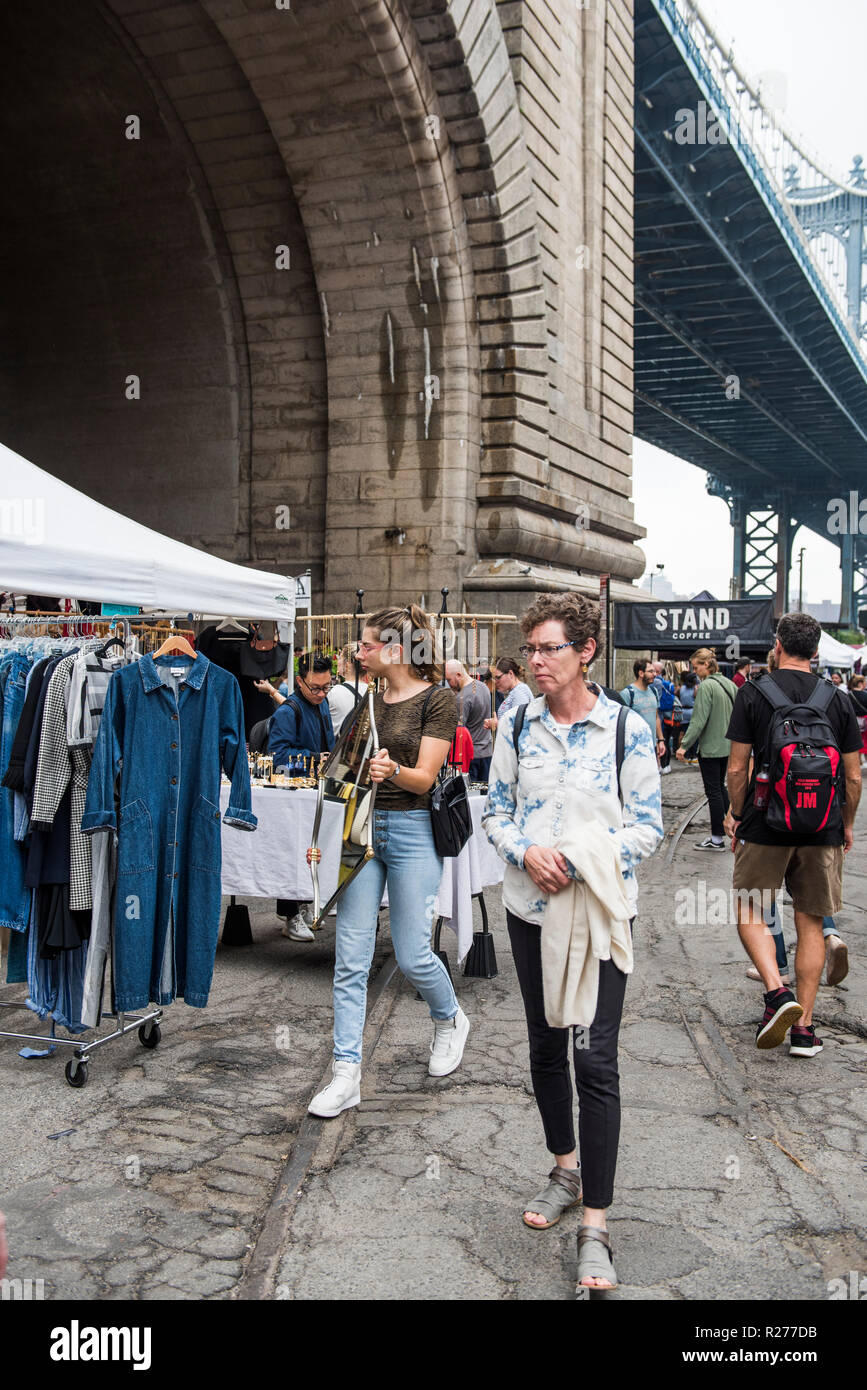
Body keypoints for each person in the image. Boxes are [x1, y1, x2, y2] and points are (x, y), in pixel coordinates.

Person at [483, 592, 663, 1292]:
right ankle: (563, 1167)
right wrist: (526, 851)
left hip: (596, 916)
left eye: (548, 648)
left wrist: (584, 860)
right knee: (543, 1046)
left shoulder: (626, 729)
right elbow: (494, 809)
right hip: (528, 909)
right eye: (529, 648)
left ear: (584, 651)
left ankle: (596, 1226)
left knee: (595, 1062)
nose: (535, 659)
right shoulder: (516, 722)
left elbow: (646, 826)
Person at [308, 603, 469, 1118]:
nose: (358, 651)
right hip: (364, 830)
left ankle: (449, 1019)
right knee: (350, 956)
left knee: (412, 951)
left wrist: (391, 769)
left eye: (367, 644)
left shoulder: (439, 700)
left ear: (395, 650)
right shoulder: (367, 700)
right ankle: (344, 1073)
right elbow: (344, 765)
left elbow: (424, 778)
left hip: (413, 830)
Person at [724, 612, 862, 1058]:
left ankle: (776, 992)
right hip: (820, 826)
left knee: (751, 909)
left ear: (777, 644)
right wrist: (846, 823)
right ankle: (804, 1030)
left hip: (765, 822)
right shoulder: (838, 699)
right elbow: (854, 776)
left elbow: (736, 767)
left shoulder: (753, 693)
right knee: (811, 923)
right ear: (817, 652)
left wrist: (736, 813)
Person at [269, 655, 336, 942]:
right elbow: (277, 757)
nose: (321, 693)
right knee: (294, 853)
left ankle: (306, 904)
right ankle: (290, 914)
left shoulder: (320, 706)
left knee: (313, 852)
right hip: (293, 796)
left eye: (327, 687)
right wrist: (314, 758)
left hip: (314, 791)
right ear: (299, 681)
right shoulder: (288, 712)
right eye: (315, 688)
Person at [675, 648, 736, 850]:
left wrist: (684, 745)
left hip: (711, 746)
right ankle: (734, 828)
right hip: (727, 745)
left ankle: (717, 837)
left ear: (706, 665)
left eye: (696, 666)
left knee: (713, 791)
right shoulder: (729, 684)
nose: (695, 671)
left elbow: (698, 720)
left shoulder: (706, 687)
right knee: (721, 787)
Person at [445, 658, 493, 782]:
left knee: (470, 797)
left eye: (449, 680)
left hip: (471, 757)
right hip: (487, 753)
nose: (449, 684)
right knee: (483, 794)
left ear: (459, 675)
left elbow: (457, 732)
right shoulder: (484, 687)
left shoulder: (462, 698)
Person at [619, 659, 666, 767]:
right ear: (641, 673)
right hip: (635, 748)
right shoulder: (628, 694)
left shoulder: (654, 691)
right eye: (651, 671)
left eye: (654, 671)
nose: (654, 674)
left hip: (652, 746)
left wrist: (661, 740)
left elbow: (656, 717)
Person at [484, 657, 532, 734]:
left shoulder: (519, 692)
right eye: (494, 678)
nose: (495, 682)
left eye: (498, 677)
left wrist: (497, 724)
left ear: (510, 674)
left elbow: (520, 726)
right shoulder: (516, 691)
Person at [327, 644, 362, 730]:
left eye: (340, 657)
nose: (338, 661)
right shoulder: (373, 691)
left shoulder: (335, 692)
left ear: (347, 665)